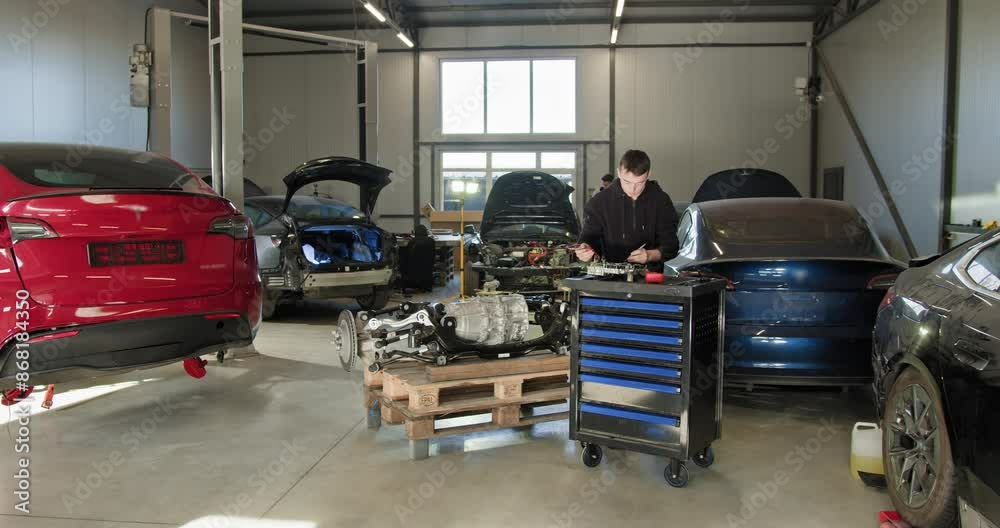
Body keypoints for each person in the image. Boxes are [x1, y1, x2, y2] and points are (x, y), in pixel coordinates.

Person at [575, 150, 679, 265]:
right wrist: (585, 251)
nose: (633, 189)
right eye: (627, 182)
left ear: (648, 174)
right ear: (619, 173)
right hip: (608, 277)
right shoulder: (598, 202)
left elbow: (671, 246)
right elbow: (588, 239)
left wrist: (650, 255)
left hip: (649, 278)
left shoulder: (661, 201)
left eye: (639, 183)